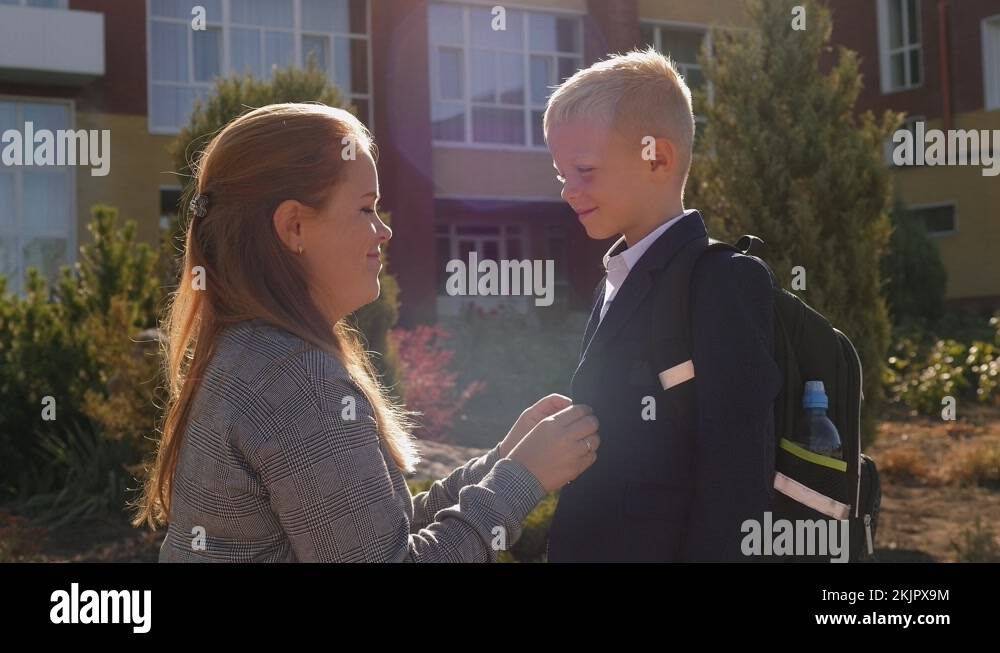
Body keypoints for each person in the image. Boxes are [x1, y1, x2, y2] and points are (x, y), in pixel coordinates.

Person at [135, 103, 601, 562]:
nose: (385, 232)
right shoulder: (295, 380)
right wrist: (523, 478)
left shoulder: (253, 351)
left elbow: (371, 533)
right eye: (366, 209)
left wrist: (502, 461)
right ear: (294, 226)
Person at [543, 48, 781, 561]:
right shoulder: (618, 276)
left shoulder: (721, 282)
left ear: (659, 157)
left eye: (585, 169)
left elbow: (738, 476)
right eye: (562, 173)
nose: (568, 190)